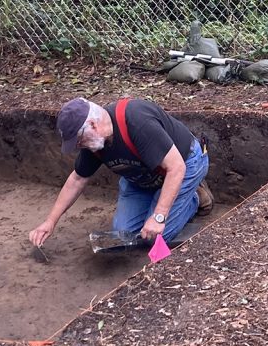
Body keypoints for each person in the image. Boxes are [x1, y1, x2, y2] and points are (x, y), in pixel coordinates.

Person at [29, 97, 212, 248]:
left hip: (185, 163)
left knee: (156, 237)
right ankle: (163, 200)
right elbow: (77, 179)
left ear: (92, 125)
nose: (79, 147)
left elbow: (176, 167)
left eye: (79, 141)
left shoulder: (136, 121)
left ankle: (194, 196)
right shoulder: (94, 142)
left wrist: (159, 216)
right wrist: (50, 221)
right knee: (124, 234)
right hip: (142, 178)